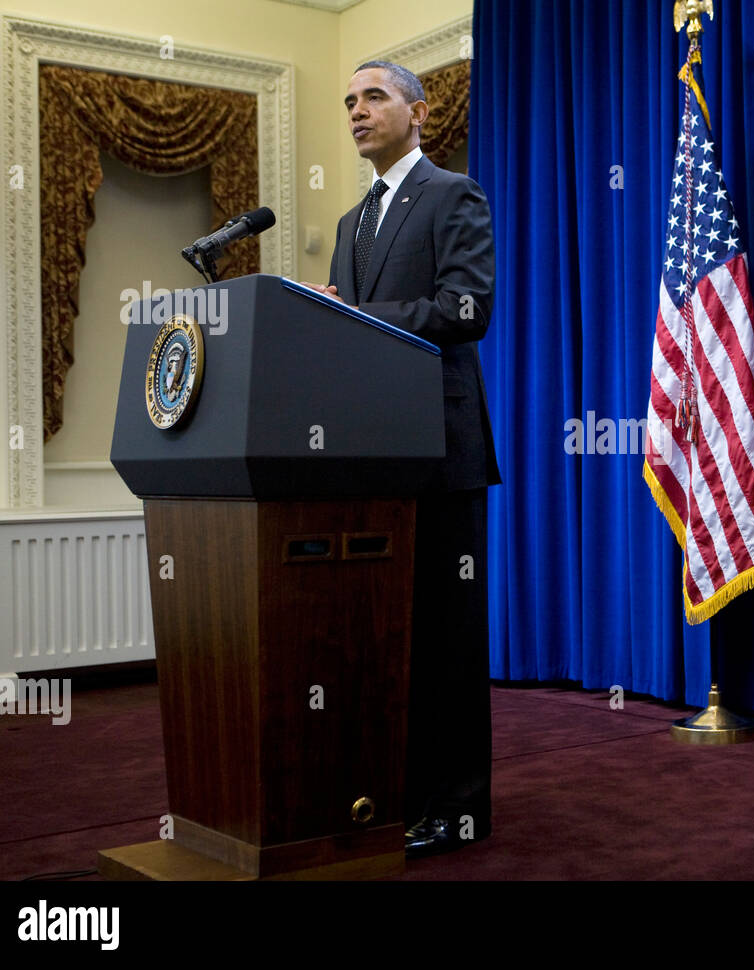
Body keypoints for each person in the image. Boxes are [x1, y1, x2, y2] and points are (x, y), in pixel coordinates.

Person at [302, 60, 498, 859]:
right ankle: (398, 796)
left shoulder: (455, 194)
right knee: (389, 644)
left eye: (373, 96)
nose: (357, 111)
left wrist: (356, 313)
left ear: (419, 111)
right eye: (348, 101)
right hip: (372, 461)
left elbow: (467, 307)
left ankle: (458, 811)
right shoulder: (351, 224)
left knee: (446, 644)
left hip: (442, 452)